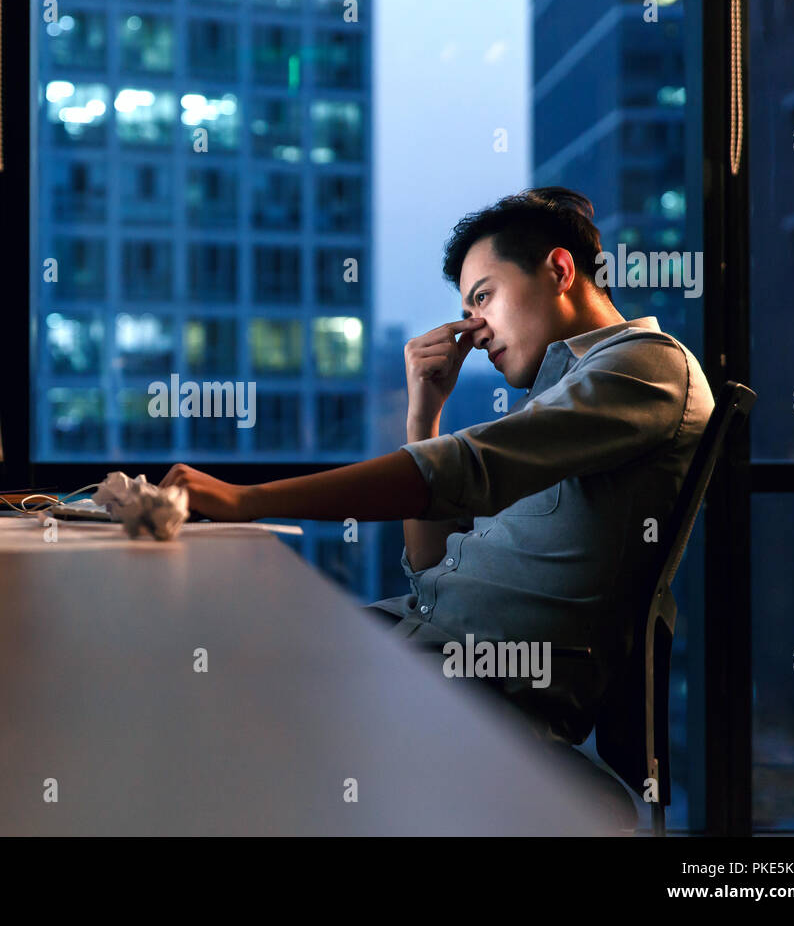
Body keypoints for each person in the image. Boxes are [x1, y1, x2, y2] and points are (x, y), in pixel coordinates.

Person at [159, 187, 714, 746]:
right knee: (194, 652)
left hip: (471, 694)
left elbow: (465, 469)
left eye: (484, 297)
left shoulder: (647, 364)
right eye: (467, 312)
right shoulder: (556, 397)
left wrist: (247, 500)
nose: (475, 330)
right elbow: (429, 565)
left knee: (199, 692)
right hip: (414, 652)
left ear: (560, 270)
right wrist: (423, 413)